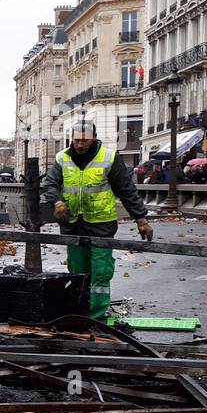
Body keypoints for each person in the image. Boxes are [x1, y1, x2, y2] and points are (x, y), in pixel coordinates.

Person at [41, 121, 153, 320]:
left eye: (84, 140)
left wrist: (141, 219)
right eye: (76, 140)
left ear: (93, 138)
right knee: (77, 270)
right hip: (72, 223)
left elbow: (126, 190)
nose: (80, 145)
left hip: (101, 223)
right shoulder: (62, 158)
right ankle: (79, 311)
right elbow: (50, 184)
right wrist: (57, 202)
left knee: (100, 271)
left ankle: (97, 316)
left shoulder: (109, 158)